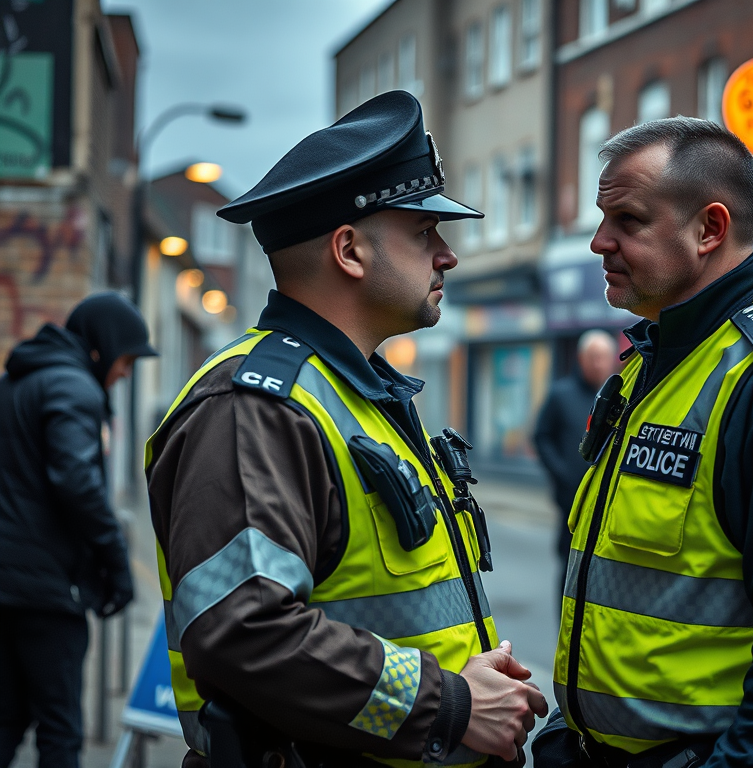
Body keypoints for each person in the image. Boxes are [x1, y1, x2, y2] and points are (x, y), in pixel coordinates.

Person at [145, 90, 547, 768]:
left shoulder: (354, 391)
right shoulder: (255, 407)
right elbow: (243, 630)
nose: (446, 255)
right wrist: (448, 704)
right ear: (350, 250)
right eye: (423, 233)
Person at [533, 117, 753, 768]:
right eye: (601, 218)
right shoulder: (655, 360)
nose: (598, 243)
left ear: (710, 229)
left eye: (628, 221)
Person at [0, 292, 156, 768]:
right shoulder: (75, 388)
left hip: (8, 583)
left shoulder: (16, 382)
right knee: (61, 726)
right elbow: (76, 481)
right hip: (47, 590)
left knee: (7, 717)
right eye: (126, 359)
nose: (125, 372)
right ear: (102, 347)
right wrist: (116, 564)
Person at [533, 330, 618, 596]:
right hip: (571, 502)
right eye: (593, 357)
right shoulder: (561, 394)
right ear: (581, 359)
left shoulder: (620, 397)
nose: (599, 364)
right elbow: (541, 437)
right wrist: (562, 473)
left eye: (604, 357)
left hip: (608, 503)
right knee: (570, 570)